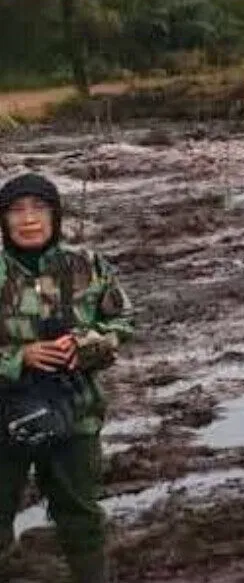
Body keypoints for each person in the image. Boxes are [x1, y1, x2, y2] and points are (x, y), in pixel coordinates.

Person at [0, 174, 131, 583]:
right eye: (16, 211)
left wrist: (90, 344)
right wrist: (19, 357)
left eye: (38, 208)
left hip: (76, 413)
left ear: (54, 215)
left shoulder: (86, 265)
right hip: (6, 414)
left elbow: (123, 321)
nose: (28, 220)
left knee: (81, 518)